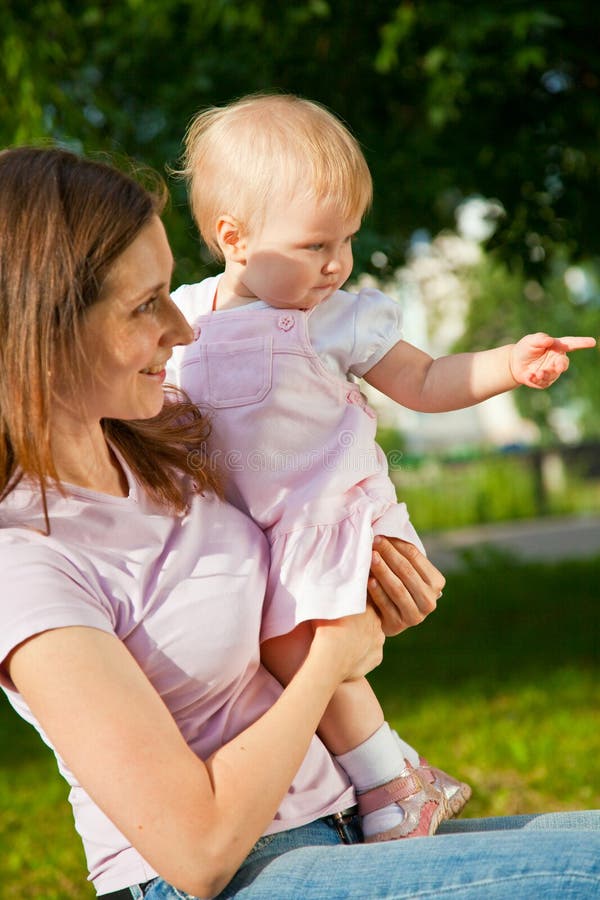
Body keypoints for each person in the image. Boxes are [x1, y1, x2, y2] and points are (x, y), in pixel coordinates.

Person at [1, 149, 599, 900]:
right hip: (231, 874)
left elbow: (303, 492)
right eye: (146, 305)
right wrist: (332, 659)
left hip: (344, 823)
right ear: (43, 330)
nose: (184, 330)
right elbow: (198, 855)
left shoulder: (164, 445)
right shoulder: (24, 563)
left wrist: (370, 581)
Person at [170, 92, 597, 842]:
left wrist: (507, 364)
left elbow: (425, 381)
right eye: (314, 244)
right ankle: (396, 771)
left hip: (331, 520)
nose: (337, 262)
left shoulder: (339, 316)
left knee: (297, 646)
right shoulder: (184, 319)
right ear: (235, 238)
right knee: (273, 650)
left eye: (348, 239)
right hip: (250, 536)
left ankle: (392, 788)